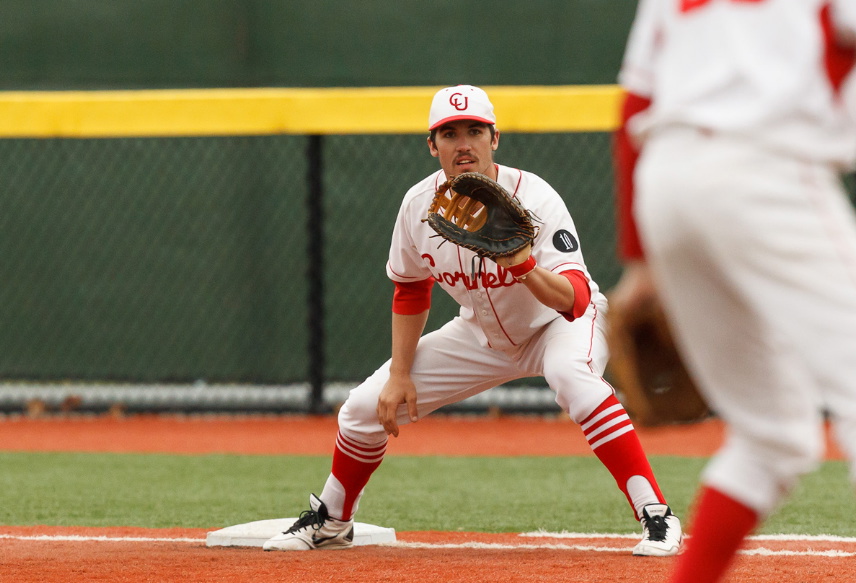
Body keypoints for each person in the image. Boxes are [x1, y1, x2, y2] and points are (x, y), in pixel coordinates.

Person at [611, 1, 856, 582]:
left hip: (665, 183)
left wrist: (640, 261)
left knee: (769, 437)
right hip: (770, 172)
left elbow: (633, 110)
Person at [263, 84, 683, 556]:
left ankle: (657, 516)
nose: (463, 143)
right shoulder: (419, 207)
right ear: (432, 145)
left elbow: (576, 300)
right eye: (449, 133)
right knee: (362, 410)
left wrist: (522, 264)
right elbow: (410, 288)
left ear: (494, 138)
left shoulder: (536, 197)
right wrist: (400, 374)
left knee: (572, 376)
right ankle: (334, 521)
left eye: (474, 131)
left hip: (557, 326)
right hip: (482, 334)